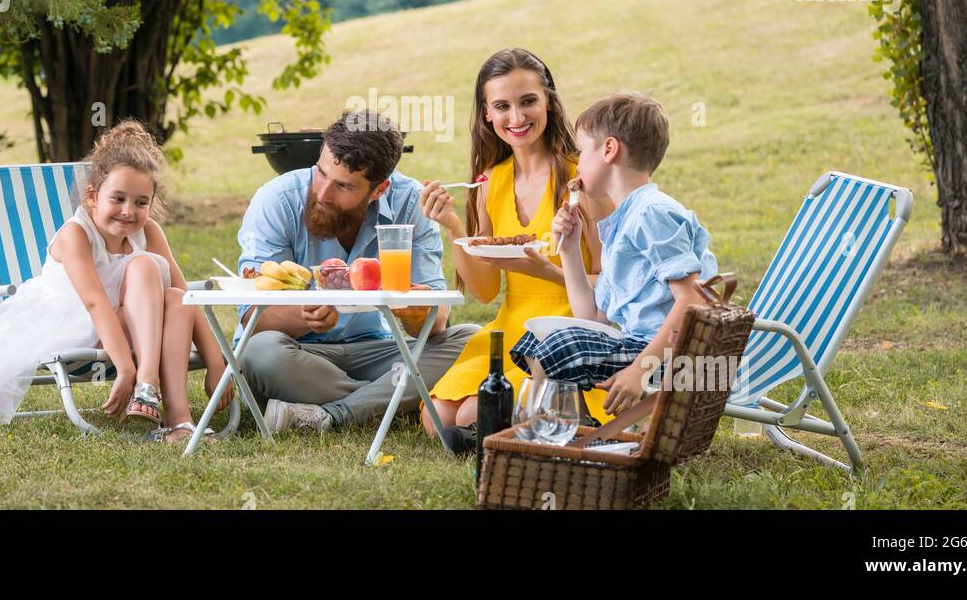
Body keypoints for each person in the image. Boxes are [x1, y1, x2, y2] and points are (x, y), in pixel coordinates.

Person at [0, 119, 233, 443]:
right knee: (145, 267)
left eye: (140, 202)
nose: (128, 211)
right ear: (92, 196)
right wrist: (126, 369)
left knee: (175, 297)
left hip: (137, 327)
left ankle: (179, 423)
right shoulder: (75, 235)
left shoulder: (148, 232)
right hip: (78, 328)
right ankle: (145, 384)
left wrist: (217, 362)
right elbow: (95, 304)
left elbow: (186, 297)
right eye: (118, 199)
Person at [234, 109, 477, 434]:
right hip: (301, 353)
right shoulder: (278, 200)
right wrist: (304, 316)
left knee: (470, 338)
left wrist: (416, 311)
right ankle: (391, 399)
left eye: (343, 186)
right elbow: (252, 317)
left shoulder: (409, 204)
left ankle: (331, 414)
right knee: (259, 353)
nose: (322, 193)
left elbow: (436, 324)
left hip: (377, 349)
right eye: (321, 173)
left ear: (378, 189)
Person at [418, 48, 612, 451]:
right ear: (487, 113)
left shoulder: (582, 179)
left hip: (572, 330)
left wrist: (551, 273)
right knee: (436, 418)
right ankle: (514, 432)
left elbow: (614, 284)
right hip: (511, 329)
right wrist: (454, 227)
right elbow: (487, 291)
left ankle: (545, 423)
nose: (517, 118)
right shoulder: (491, 181)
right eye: (502, 106)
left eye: (528, 102)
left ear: (549, 103)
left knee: (475, 414)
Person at [509, 92, 719, 417]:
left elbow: (694, 299)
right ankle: (580, 433)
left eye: (581, 152)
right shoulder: (623, 220)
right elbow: (591, 318)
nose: (577, 164)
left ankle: (560, 435)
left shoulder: (652, 214)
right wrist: (569, 250)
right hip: (640, 345)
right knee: (539, 341)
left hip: (672, 355)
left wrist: (641, 370)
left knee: (558, 345)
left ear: (609, 149)